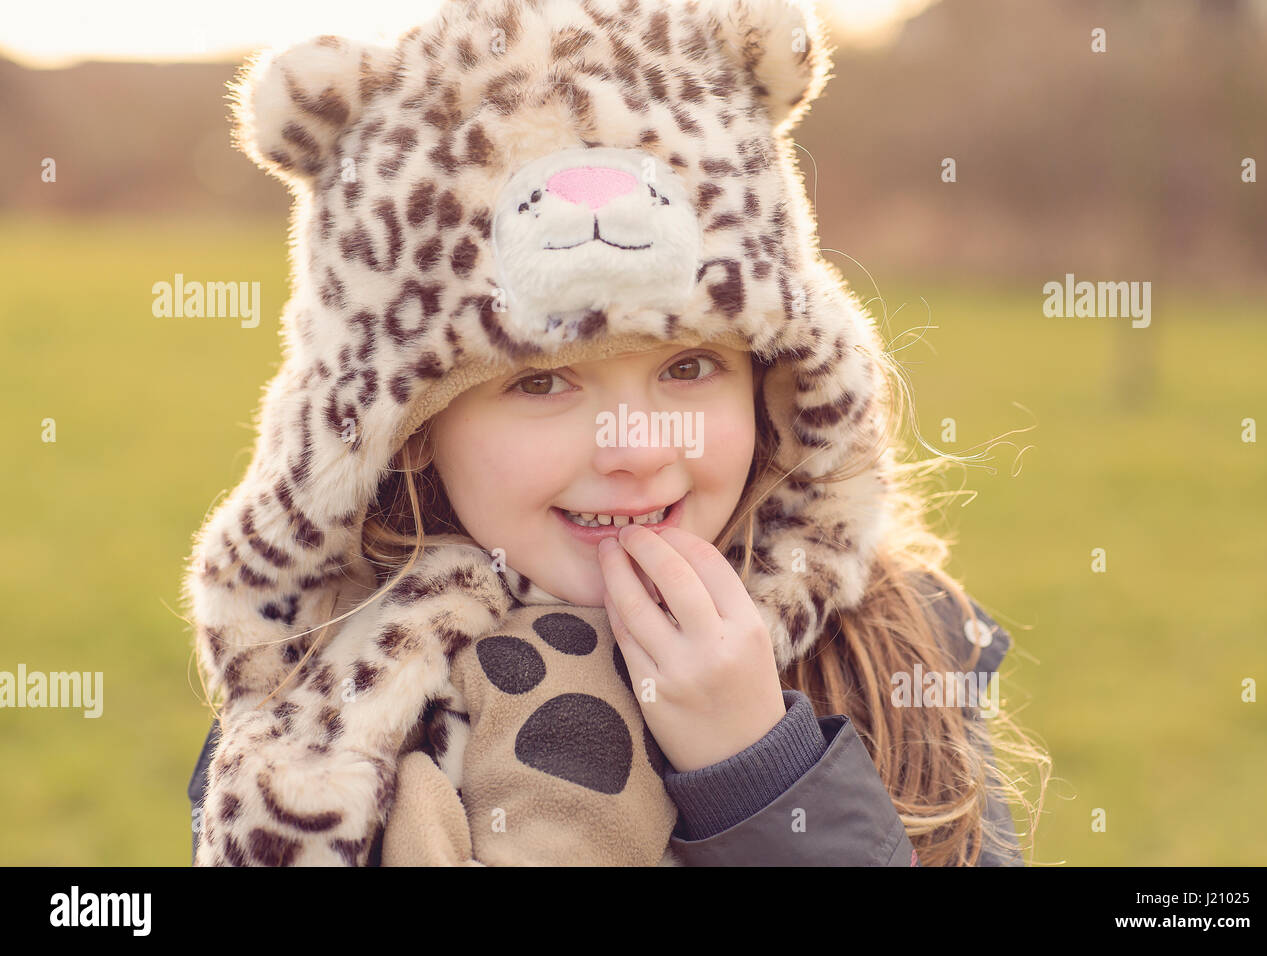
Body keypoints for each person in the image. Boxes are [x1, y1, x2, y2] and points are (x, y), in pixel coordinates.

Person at [184, 0, 1048, 867]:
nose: (635, 447)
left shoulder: (892, 653)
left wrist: (761, 772)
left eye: (687, 369)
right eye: (542, 382)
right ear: (409, 429)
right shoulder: (314, 714)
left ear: (776, 385)